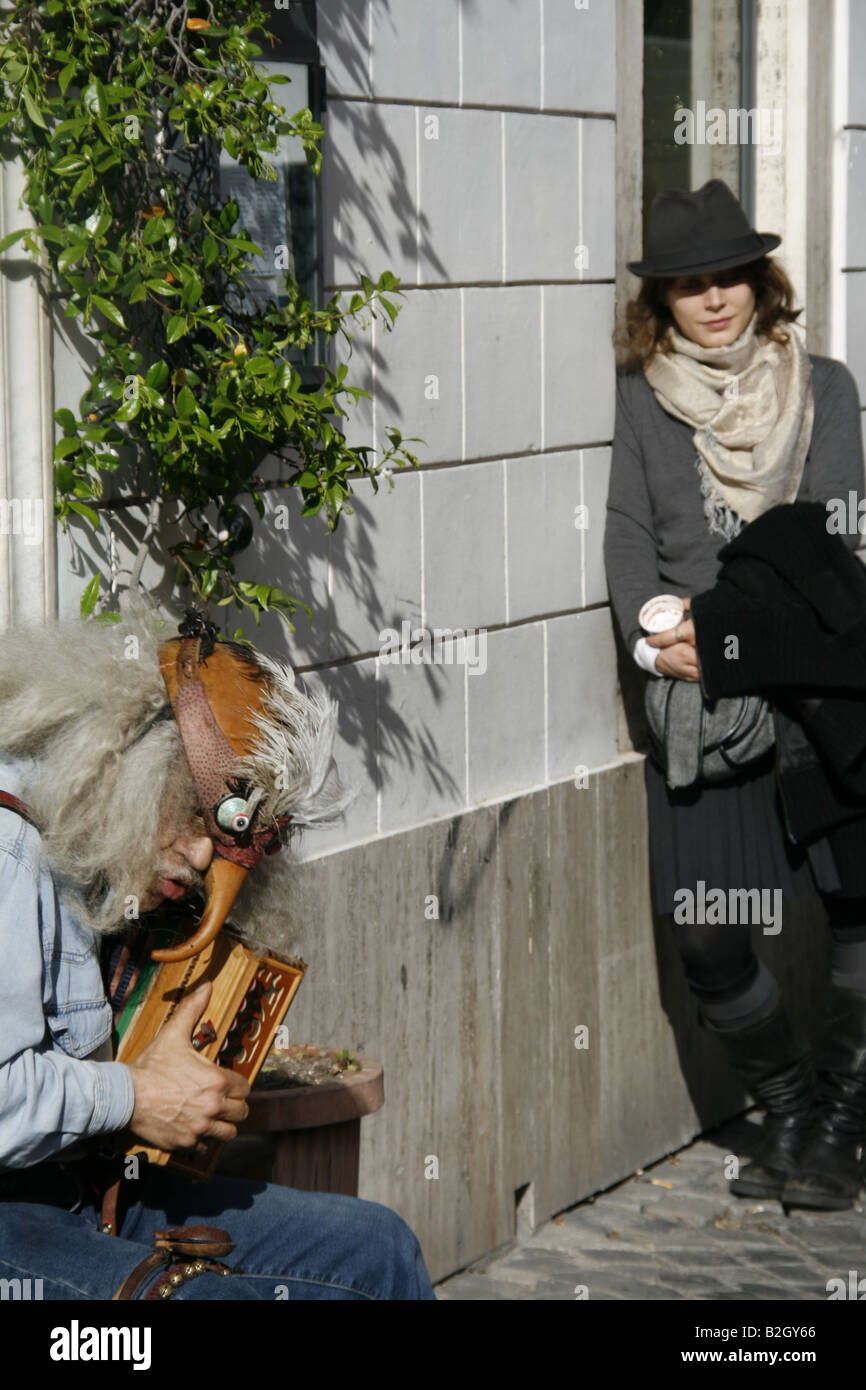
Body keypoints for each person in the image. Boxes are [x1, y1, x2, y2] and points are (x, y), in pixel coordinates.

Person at [0, 601, 436, 1300]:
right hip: (11, 1218)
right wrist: (136, 1095)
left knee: (376, 1249)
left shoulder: (96, 838)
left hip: (87, 1189)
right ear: (138, 766)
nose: (202, 857)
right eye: (192, 817)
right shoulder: (9, 845)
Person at [604, 178, 866, 1211]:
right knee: (705, 931)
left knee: (858, 912)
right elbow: (629, 536)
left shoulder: (828, 389)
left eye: (728, 278)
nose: (711, 300)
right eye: (687, 285)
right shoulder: (641, 402)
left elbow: (829, 547)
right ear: (660, 303)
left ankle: (841, 1128)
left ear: (760, 284)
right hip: (698, 702)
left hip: (820, 688)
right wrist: (648, 640)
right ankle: (790, 1107)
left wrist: (723, 631)